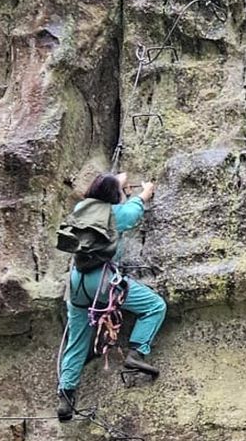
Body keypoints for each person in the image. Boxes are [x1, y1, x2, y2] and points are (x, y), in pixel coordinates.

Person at [56, 172, 166, 421]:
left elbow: (103, 194)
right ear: (114, 195)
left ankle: (65, 395)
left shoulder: (82, 208)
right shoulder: (116, 214)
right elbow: (134, 210)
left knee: (77, 338)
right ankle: (137, 353)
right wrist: (145, 192)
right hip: (103, 281)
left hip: (76, 282)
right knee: (154, 306)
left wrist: (114, 181)